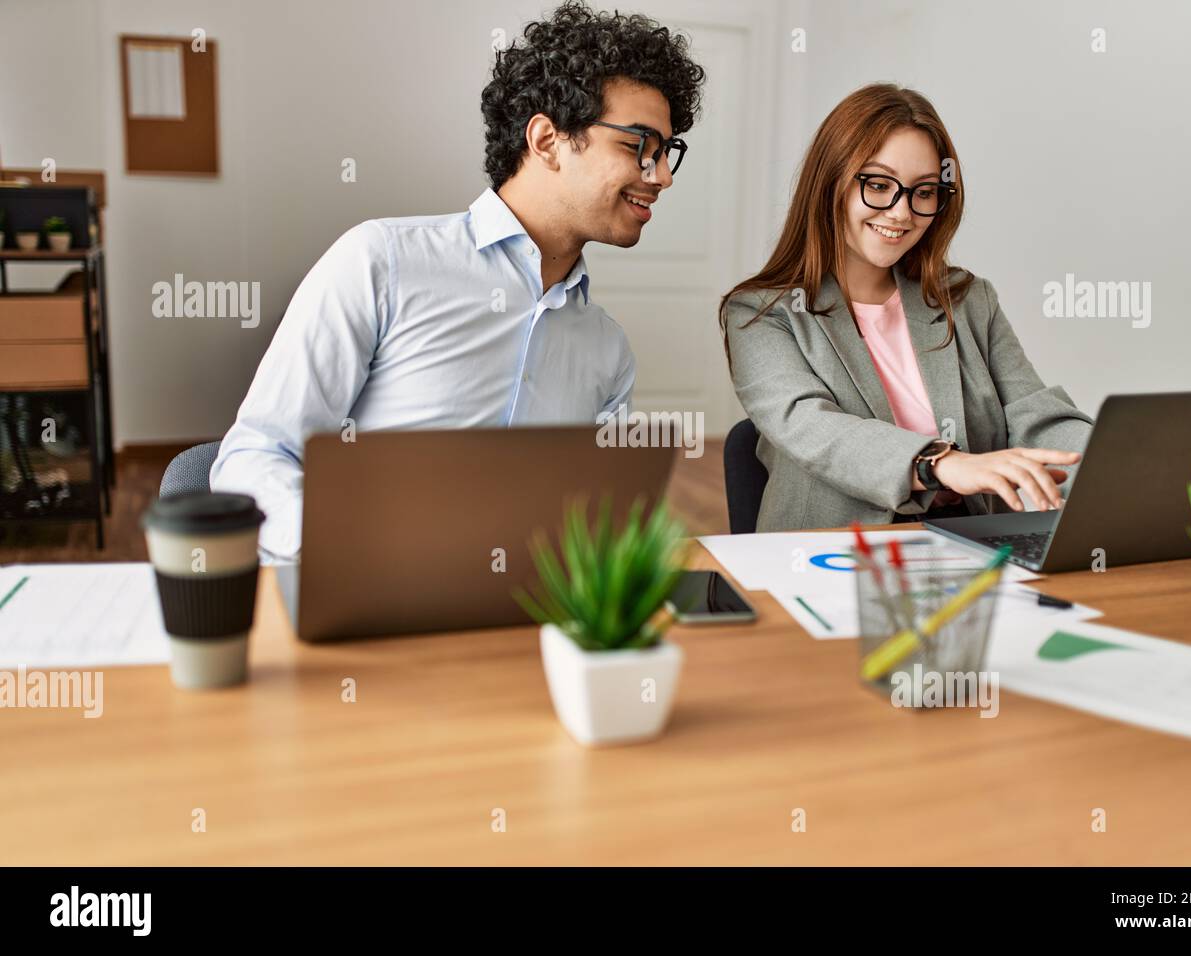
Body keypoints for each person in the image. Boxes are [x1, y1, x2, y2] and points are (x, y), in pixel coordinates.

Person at [211, 0, 705, 560]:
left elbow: (599, 529)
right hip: (365, 604)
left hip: (524, 623)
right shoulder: (383, 263)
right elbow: (257, 457)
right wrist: (354, 552)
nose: (660, 175)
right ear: (546, 141)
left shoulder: (607, 351)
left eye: (666, 153)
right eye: (638, 145)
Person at [720, 84, 1093, 532]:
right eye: (878, 185)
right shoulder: (760, 315)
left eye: (924, 192)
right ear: (829, 182)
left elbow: (1034, 414)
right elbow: (813, 428)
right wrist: (938, 462)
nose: (901, 213)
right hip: (831, 553)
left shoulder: (968, 300)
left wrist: (1119, 461)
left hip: (972, 542)